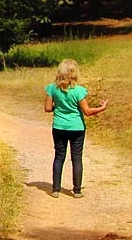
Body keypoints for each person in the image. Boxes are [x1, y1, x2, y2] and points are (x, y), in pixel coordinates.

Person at [44, 58, 108, 198]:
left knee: (59, 157)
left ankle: (55, 189)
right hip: (77, 128)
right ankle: (77, 190)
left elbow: (48, 108)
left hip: (59, 126)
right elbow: (88, 112)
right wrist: (102, 108)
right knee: (76, 158)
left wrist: (59, 107)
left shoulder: (52, 89)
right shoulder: (79, 91)